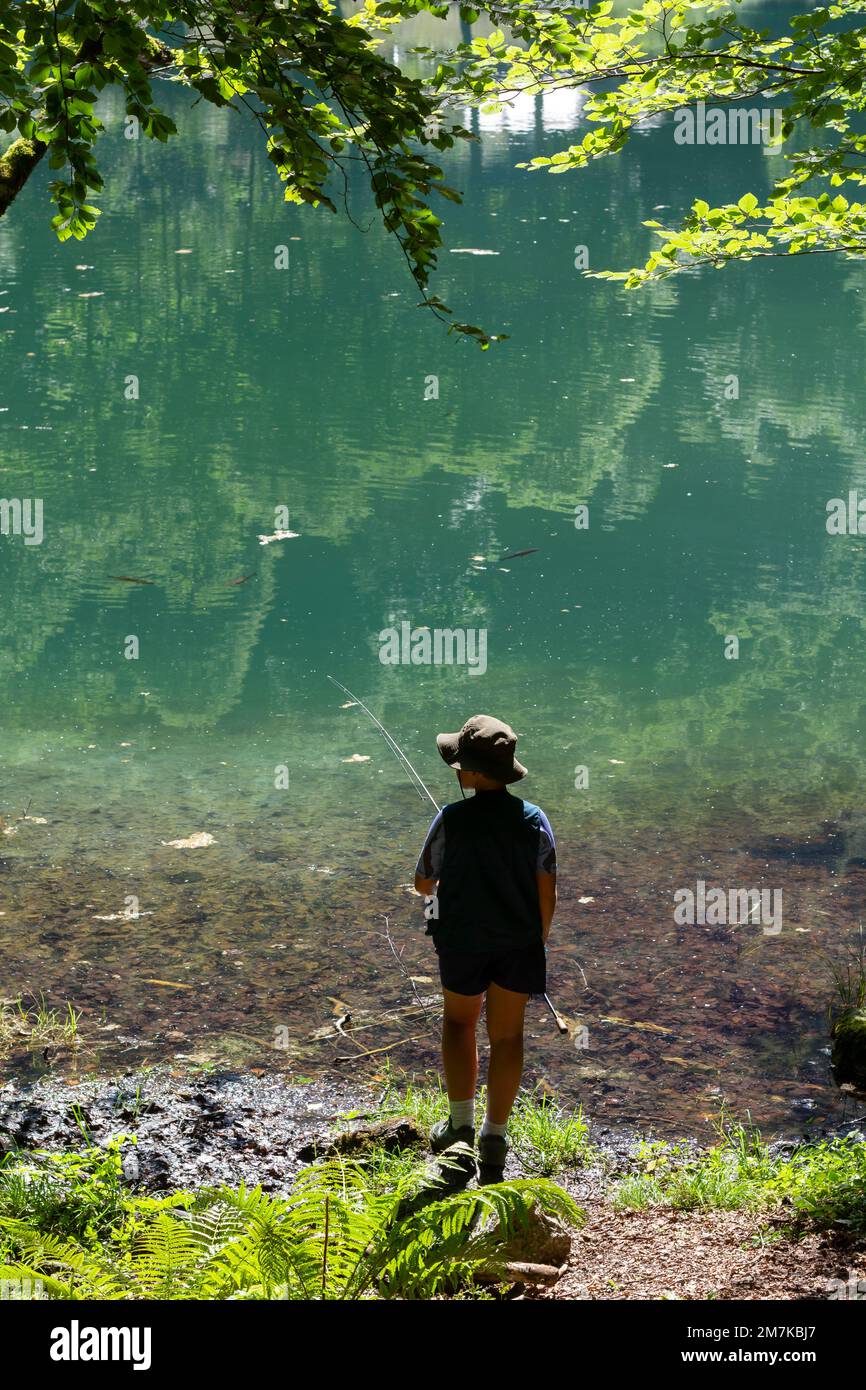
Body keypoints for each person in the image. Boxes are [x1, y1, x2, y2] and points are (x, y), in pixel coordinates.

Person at [414, 714, 557, 1184]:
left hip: (461, 942)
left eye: (459, 763)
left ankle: (460, 1128)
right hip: (519, 944)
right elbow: (547, 888)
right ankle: (495, 1137)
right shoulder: (535, 820)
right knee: (508, 1037)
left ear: (473, 774)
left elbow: (423, 882)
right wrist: (540, 935)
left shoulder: (451, 819)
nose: (455, 771)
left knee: (459, 1023)